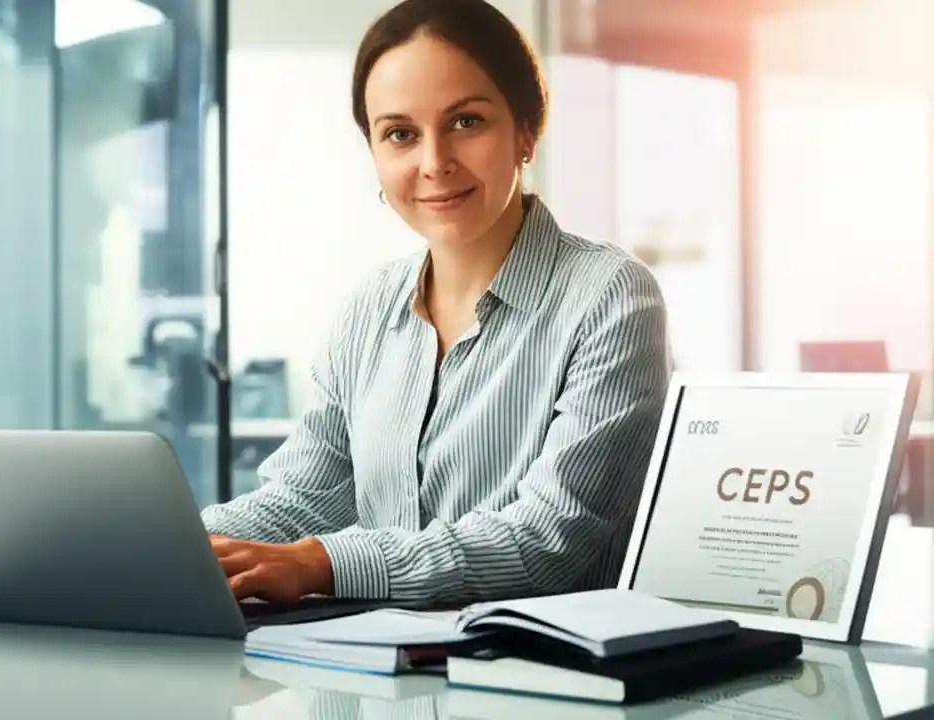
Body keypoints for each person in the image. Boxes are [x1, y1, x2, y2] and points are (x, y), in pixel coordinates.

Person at [202, 0, 670, 605]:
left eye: (466, 122)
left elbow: (548, 539)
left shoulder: (609, 298)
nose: (434, 163)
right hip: (371, 677)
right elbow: (303, 498)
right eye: (400, 134)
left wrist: (324, 563)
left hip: (537, 684)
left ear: (526, 131)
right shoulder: (370, 309)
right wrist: (168, 546)